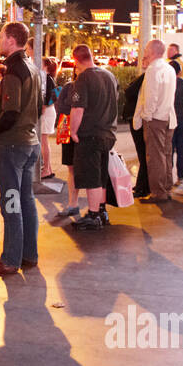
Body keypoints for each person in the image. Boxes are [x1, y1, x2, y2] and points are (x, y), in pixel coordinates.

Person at [0, 21, 43, 275]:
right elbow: (39, 107)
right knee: (25, 200)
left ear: (11, 40)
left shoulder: (14, 70)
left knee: (11, 202)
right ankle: (28, 255)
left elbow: (10, 112)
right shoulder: (33, 68)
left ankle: (10, 259)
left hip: (13, 145)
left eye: (0, 37)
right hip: (30, 143)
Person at [68, 45, 119, 230]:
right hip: (108, 133)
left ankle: (93, 214)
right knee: (101, 176)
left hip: (90, 134)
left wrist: (73, 131)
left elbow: (78, 108)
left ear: (76, 59)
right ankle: (101, 210)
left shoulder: (84, 78)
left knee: (91, 177)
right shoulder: (109, 76)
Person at [132, 39, 176, 203]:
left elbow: (151, 96)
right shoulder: (170, 68)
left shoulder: (153, 69)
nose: (144, 52)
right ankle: (166, 187)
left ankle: (158, 192)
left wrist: (146, 116)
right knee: (166, 154)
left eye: (145, 49)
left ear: (151, 51)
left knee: (155, 157)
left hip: (155, 118)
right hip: (169, 117)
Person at [54, 63, 81, 215]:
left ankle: (95, 207)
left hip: (85, 132)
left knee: (85, 169)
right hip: (69, 130)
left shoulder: (90, 86)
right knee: (71, 167)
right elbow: (61, 109)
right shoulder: (69, 87)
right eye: (77, 67)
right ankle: (73, 203)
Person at [124, 71, 149, 198]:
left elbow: (129, 92)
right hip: (140, 118)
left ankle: (142, 186)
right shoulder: (148, 75)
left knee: (143, 154)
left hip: (139, 118)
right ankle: (142, 185)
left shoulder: (147, 76)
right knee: (144, 154)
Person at [39, 57, 59, 179]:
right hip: (48, 111)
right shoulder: (48, 78)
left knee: (44, 141)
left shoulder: (47, 78)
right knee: (44, 141)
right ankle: (48, 168)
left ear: (45, 65)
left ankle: (46, 169)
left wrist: (43, 108)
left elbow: (50, 97)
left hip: (46, 112)